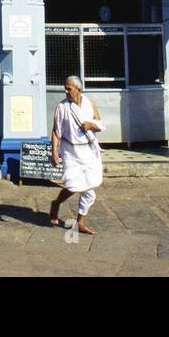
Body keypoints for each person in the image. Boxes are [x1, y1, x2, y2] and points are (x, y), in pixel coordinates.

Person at [48, 75, 105, 236]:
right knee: (73, 184)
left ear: (78, 90)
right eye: (65, 88)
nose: (66, 92)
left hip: (89, 150)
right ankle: (56, 203)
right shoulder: (62, 107)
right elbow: (56, 131)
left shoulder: (90, 104)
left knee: (89, 189)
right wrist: (54, 152)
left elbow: (100, 124)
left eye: (69, 89)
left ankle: (80, 221)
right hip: (70, 150)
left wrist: (92, 125)